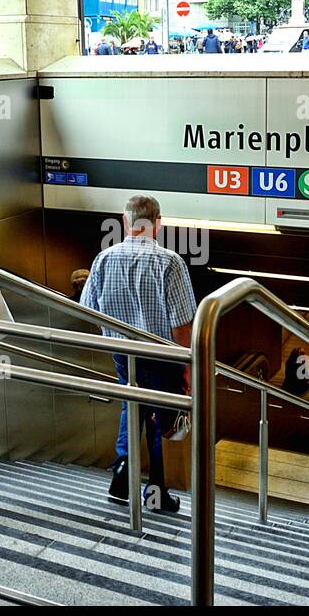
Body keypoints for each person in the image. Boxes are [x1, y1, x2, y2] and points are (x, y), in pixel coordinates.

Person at [80, 194, 196, 513]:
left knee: (130, 407)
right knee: (163, 418)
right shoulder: (170, 262)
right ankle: (156, 491)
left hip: (122, 353)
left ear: (125, 222)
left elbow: (89, 310)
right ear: (158, 224)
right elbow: (182, 324)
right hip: (162, 356)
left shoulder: (104, 259)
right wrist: (188, 368)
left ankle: (121, 474)